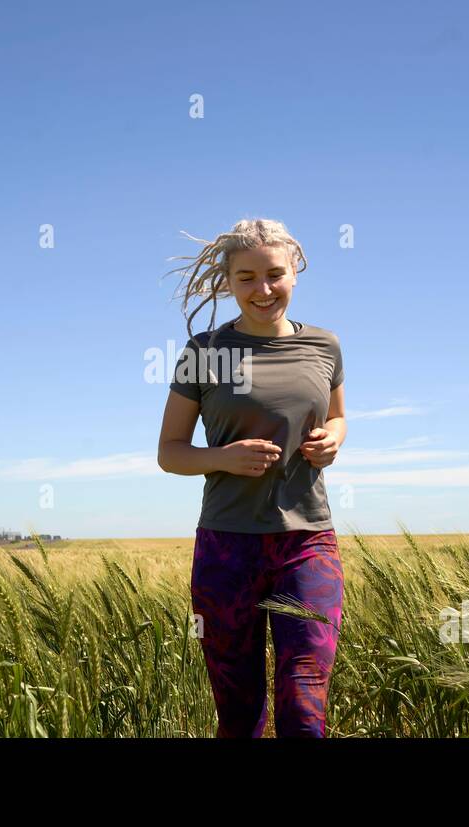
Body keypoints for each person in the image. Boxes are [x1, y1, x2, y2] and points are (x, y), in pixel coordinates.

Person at [157, 217, 347, 737]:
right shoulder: (203, 351)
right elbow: (170, 453)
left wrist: (334, 438)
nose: (262, 290)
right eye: (246, 278)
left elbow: (337, 416)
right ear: (227, 281)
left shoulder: (324, 346)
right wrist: (223, 457)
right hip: (227, 547)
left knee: (304, 706)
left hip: (308, 542)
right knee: (239, 714)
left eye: (275, 274)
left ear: (295, 273)